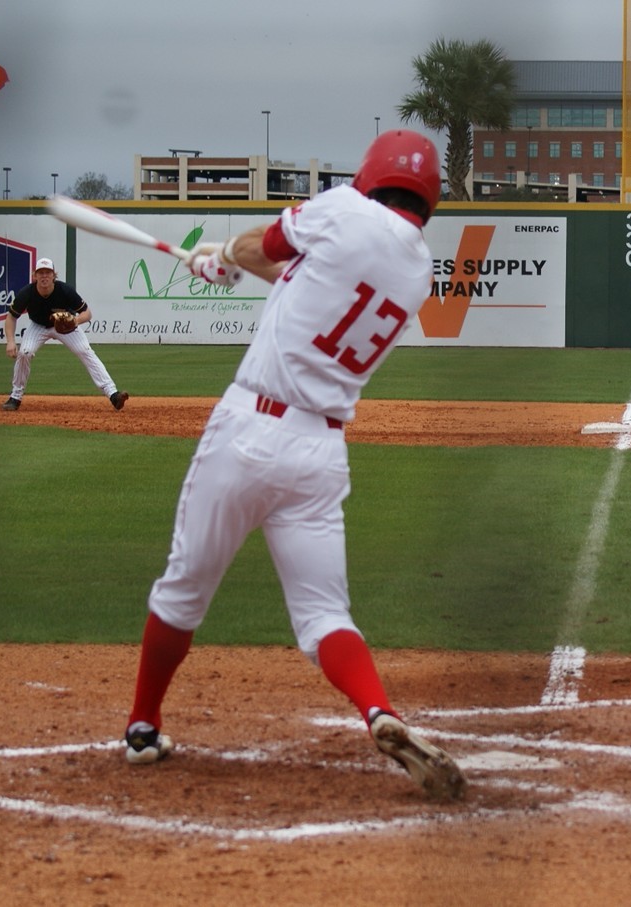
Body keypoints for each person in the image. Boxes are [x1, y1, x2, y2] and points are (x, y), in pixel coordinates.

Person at [120, 130, 466, 800]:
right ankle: (378, 710)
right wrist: (236, 264)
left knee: (185, 587)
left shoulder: (343, 207)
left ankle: (142, 725)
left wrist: (222, 257)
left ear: (370, 173)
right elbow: (308, 279)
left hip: (249, 428)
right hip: (320, 451)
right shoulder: (418, 268)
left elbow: (261, 247)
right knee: (324, 614)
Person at [0, 258, 128, 411]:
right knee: (25, 353)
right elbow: (11, 317)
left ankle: (113, 394)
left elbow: (87, 313)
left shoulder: (64, 290)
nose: (44, 276)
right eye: (41, 273)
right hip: (38, 326)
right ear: (34, 275)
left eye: (48, 272)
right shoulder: (27, 293)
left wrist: (75, 321)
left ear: (54, 275)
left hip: (66, 325)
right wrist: (10, 341)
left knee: (85, 351)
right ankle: (15, 397)